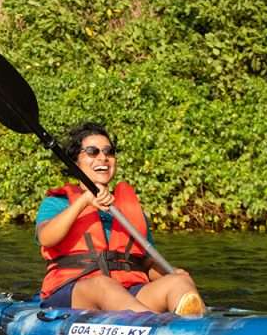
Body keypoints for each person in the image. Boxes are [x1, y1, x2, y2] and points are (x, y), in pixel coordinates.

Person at [35, 123, 206, 316]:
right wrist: (84, 201)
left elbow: (145, 263)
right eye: (92, 151)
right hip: (75, 291)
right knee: (103, 285)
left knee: (179, 282)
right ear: (75, 162)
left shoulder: (129, 209)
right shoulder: (57, 202)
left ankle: (190, 327)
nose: (103, 157)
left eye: (109, 152)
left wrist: (170, 273)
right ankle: (150, 325)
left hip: (125, 292)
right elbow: (45, 238)